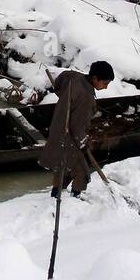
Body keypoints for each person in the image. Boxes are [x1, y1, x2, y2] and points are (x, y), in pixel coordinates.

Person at [38, 61, 114, 196]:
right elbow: (77, 126)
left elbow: (60, 80)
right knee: (82, 172)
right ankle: (74, 199)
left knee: (64, 167)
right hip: (68, 137)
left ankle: (56, 195)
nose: (106, 87)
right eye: (105, 83)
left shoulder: (74, 78)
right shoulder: (86, 97)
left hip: (57, 130)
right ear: (95, 78)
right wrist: (83, 142)